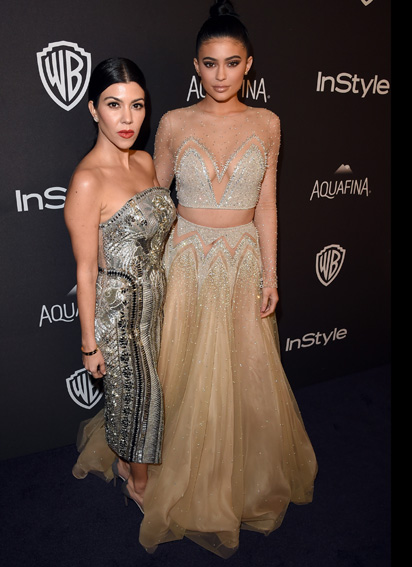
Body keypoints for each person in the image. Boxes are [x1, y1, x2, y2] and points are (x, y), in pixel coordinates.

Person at [139, 0, 317, 558]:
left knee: (242, 371)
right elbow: (153, 200)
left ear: (249, 65)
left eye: (232, 63)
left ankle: (237, 476)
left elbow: (266, 203)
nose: (221, 75)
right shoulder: (173, 123)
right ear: (196, 65)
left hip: (241, 262)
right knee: (182, 367)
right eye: (210, 63)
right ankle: (168, 468)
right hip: (186, 258)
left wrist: (271, 273)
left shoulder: (268, 124)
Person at [64, 57, 176, 511]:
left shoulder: (147, 162)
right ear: (93, 109)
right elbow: (85, 271)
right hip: (119, 311)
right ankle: (140, 483)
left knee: (148, 390)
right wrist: (90, 344)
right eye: (114, 105)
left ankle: (131, 464)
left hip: (155, 299)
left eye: (137, 106)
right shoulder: (87, 181)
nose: (127, 119)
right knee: (138, 393)